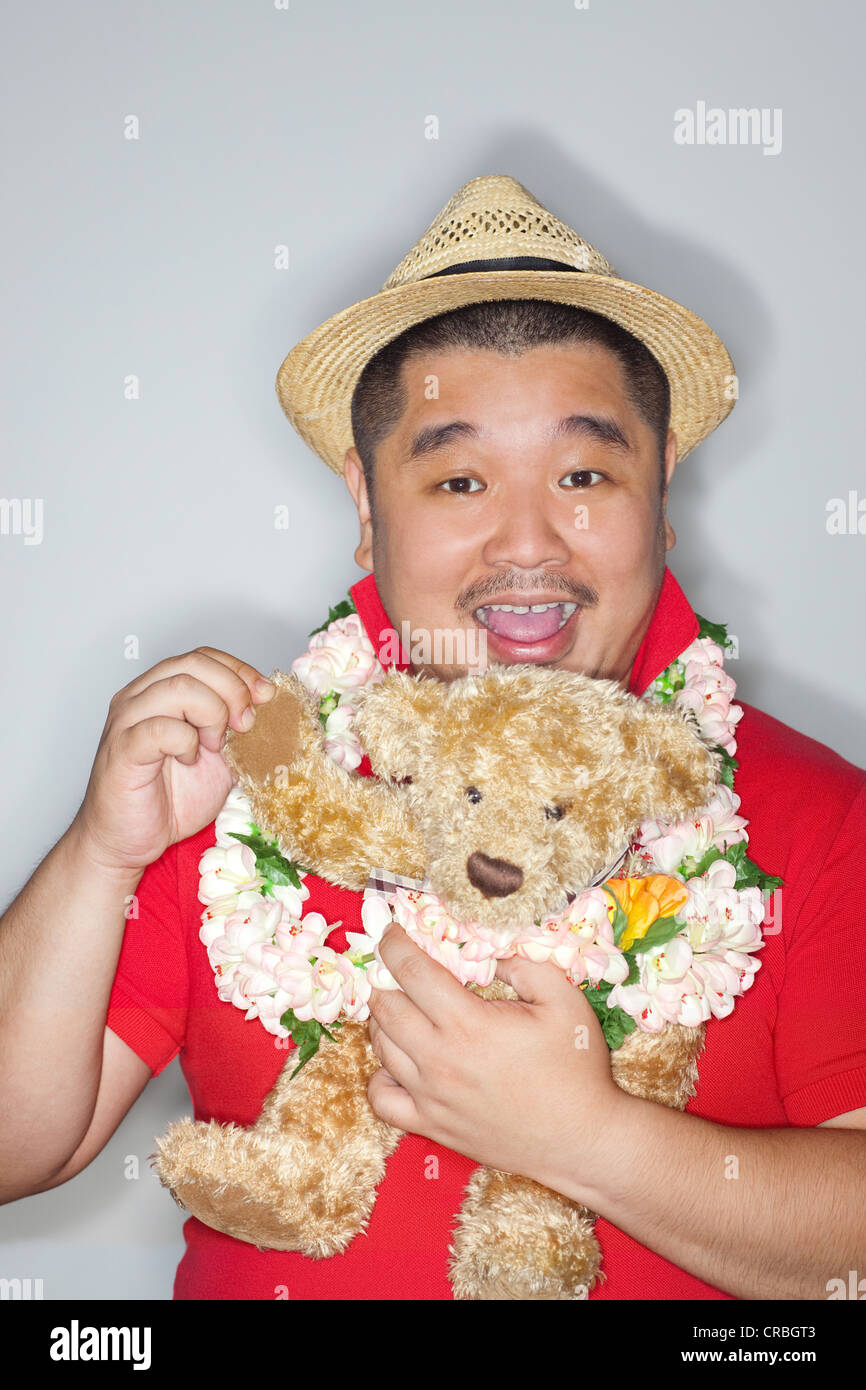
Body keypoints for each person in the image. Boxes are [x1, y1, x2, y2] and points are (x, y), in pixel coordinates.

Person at [1, 175, 864, 1301]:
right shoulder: (239, 777)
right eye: (459, 479)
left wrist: (585, 1139)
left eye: (583, 474)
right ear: (367, 506)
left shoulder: (819, 814)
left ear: (660, 495)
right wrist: (102, 853)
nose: (526, 543)